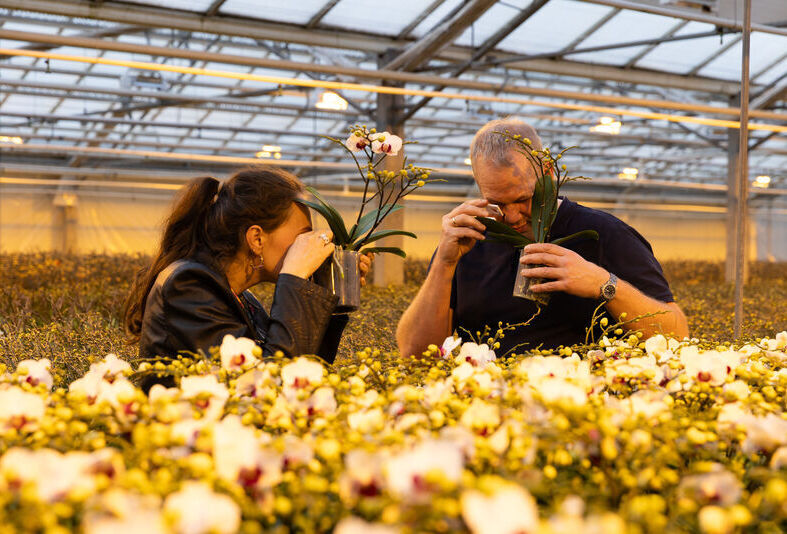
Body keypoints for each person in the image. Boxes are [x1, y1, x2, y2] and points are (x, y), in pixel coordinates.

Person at [397, 118, 688, 357]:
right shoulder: (467, 240)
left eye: (523, 198)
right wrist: (444, 265)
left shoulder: (605, 234)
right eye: (497, 202)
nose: (511, 217)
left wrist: (604, 284)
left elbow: (677, 334)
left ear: (548, 171)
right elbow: (414, 353)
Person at [124, 166, 371, 387]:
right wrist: (294, 279)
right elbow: (265, 383)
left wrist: (328, 290)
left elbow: (302, 371)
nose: (308, 244)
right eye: (303, 236)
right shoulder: (188, 285)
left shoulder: (242, 298)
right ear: (257, 239)